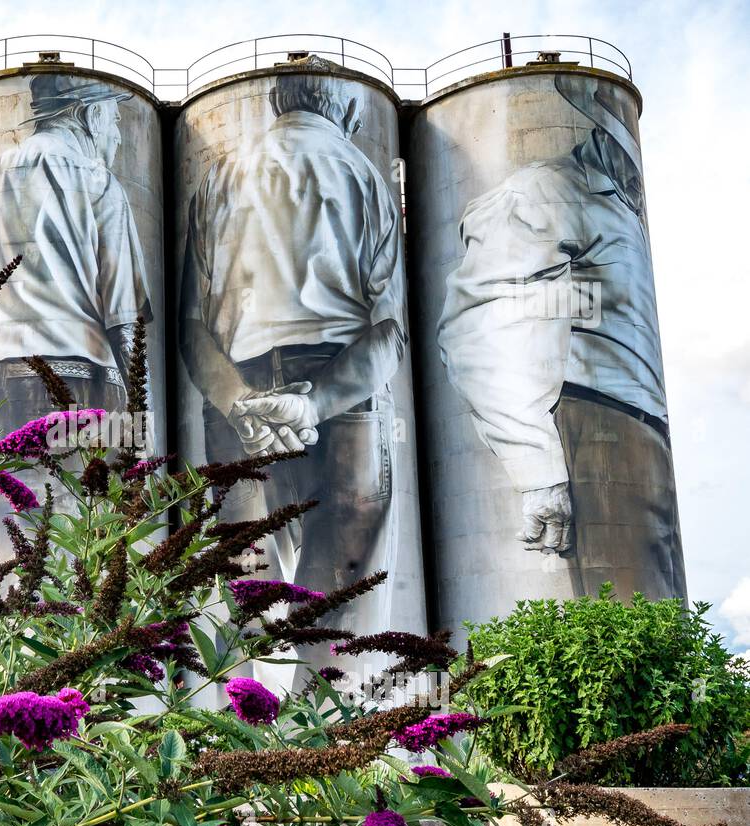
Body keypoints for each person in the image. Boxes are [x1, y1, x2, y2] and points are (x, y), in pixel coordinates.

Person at [179, 66, 407, 690]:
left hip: (236, 399)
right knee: (344, 623)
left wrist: (240, 402)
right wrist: (315, 406)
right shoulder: (364, 175)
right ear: (346, 112)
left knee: (250, 609)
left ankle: (250, 760)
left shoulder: (216, 179)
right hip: (342, 393)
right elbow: (388, 333)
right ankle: (333, 767)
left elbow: (190, 329)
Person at [437, 74, 685, 601]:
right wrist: (537, 469)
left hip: (648, 439)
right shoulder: (544, 191)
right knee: (624, 625)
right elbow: (482, 323)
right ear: (607, 134)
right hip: (601, 430)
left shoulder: (621, 203)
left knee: (661, 642)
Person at [0, 73, 153, 567]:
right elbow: (126, 317)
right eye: (115, 120)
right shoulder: (97, 181)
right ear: (87, 114)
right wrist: (140, 427)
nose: (119, 135)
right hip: (71, 382)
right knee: (73, 541)